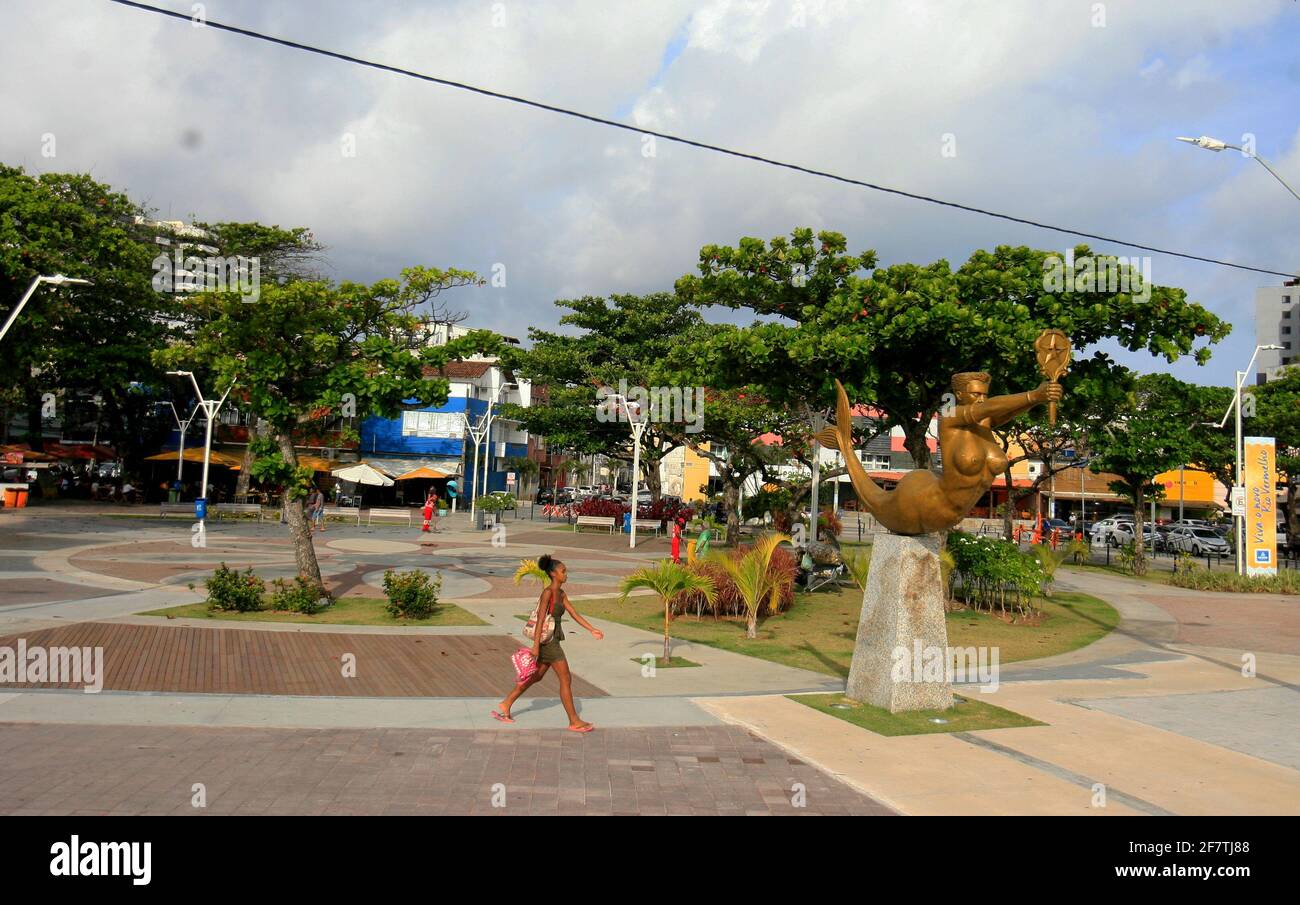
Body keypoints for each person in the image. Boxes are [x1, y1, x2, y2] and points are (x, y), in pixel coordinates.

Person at [493, 554, 603, 731]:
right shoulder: (548, 593)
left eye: (566, 571)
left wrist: (592, 629)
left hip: (552, 639)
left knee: (536, 676)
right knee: (565, 678)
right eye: (563, 571)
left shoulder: (561, 593)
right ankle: (574, 721)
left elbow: (574, 613)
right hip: (549, 643)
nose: (566, 574)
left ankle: (506, 703)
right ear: (553, 574)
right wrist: (535, 646)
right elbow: (540, 620)